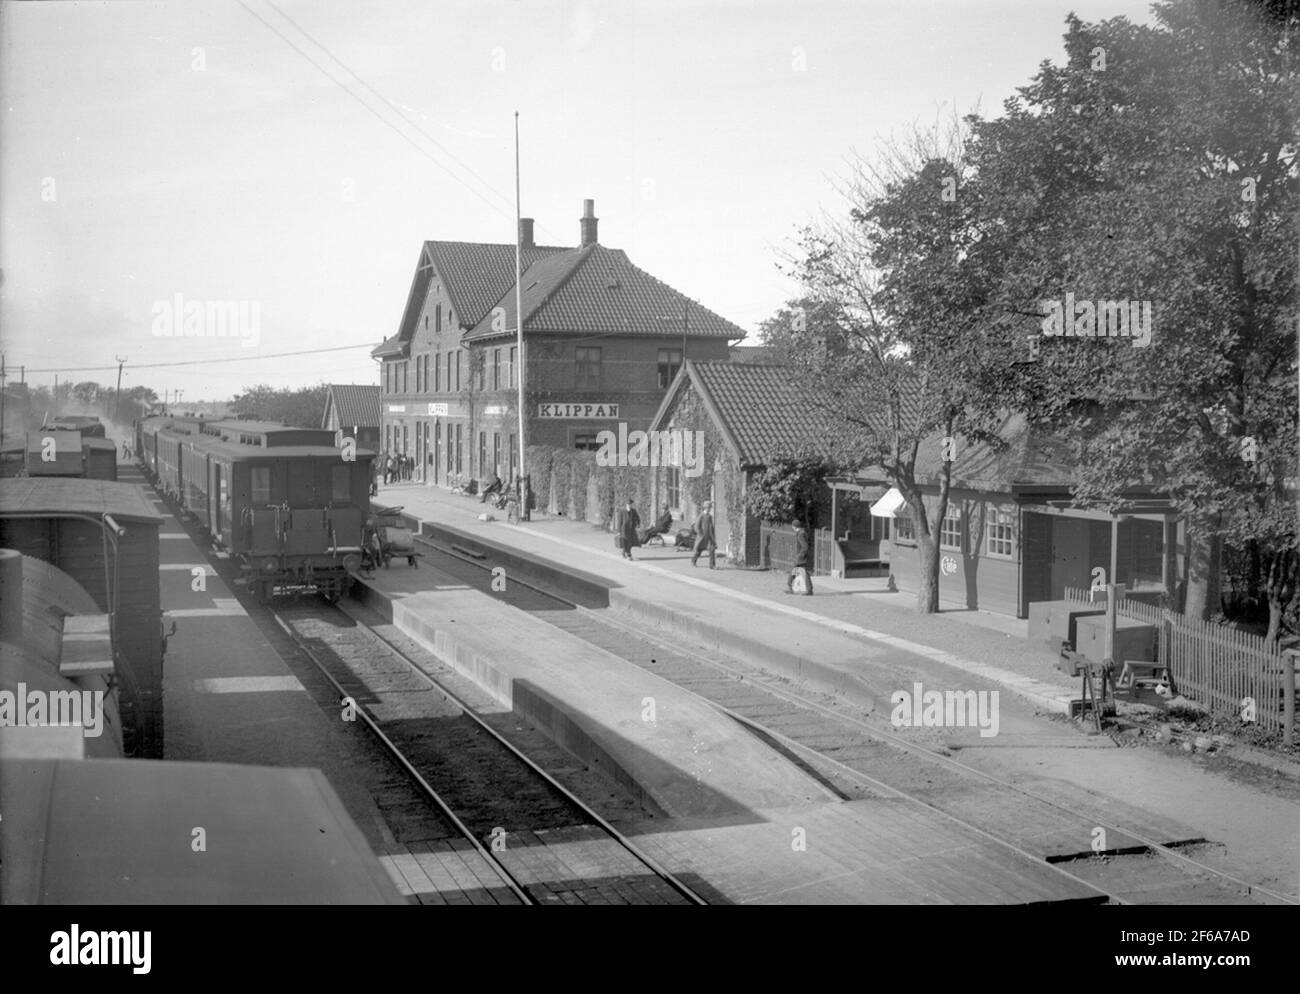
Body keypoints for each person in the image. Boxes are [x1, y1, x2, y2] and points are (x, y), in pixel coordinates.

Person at [785, 520, 814, 595]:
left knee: (794, 570)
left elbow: (805, 546)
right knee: (802, 572)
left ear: (794, 526)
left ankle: (790, 587)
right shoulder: (803, 532)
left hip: (801, 557)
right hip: (803, 556)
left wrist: (800, 555)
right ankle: (809, 589)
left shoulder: (800, 534)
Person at [691, 500, 717, 569]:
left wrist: (713, 536)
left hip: (709, 538)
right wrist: (701, 534)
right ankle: (693, 561)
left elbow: (711, 527)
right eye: (708, 507)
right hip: (702, 538)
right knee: (698, 551)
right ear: (705, 508)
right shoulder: (701, 516)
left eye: (710, 508)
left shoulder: (710, 517)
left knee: (711, 550)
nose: (709, 509)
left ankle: (712, 565)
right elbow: (696, 527)